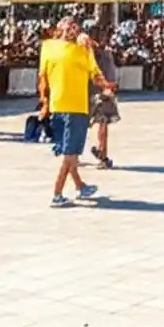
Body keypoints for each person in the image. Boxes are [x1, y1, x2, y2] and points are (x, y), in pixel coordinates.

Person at [37, 17, 112, 208]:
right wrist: (44, 103)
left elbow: (94, 73)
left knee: (71, 154)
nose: (71, 26)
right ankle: (60, 194)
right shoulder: (48, 46)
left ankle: (72, 188)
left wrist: (106, 87)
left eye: (75, 25)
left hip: (77, 107)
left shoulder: (84, 49)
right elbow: (43, 77)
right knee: (68, 152)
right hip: (57, 107)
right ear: (58, 27)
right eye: (67, 23)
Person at [82, 23, 120, 169]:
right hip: (101, 91)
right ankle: (101, 155)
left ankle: (95, 153)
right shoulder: (99, 53)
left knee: (94, 123)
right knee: (100, 123)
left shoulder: (91, 52)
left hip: (95, 91)